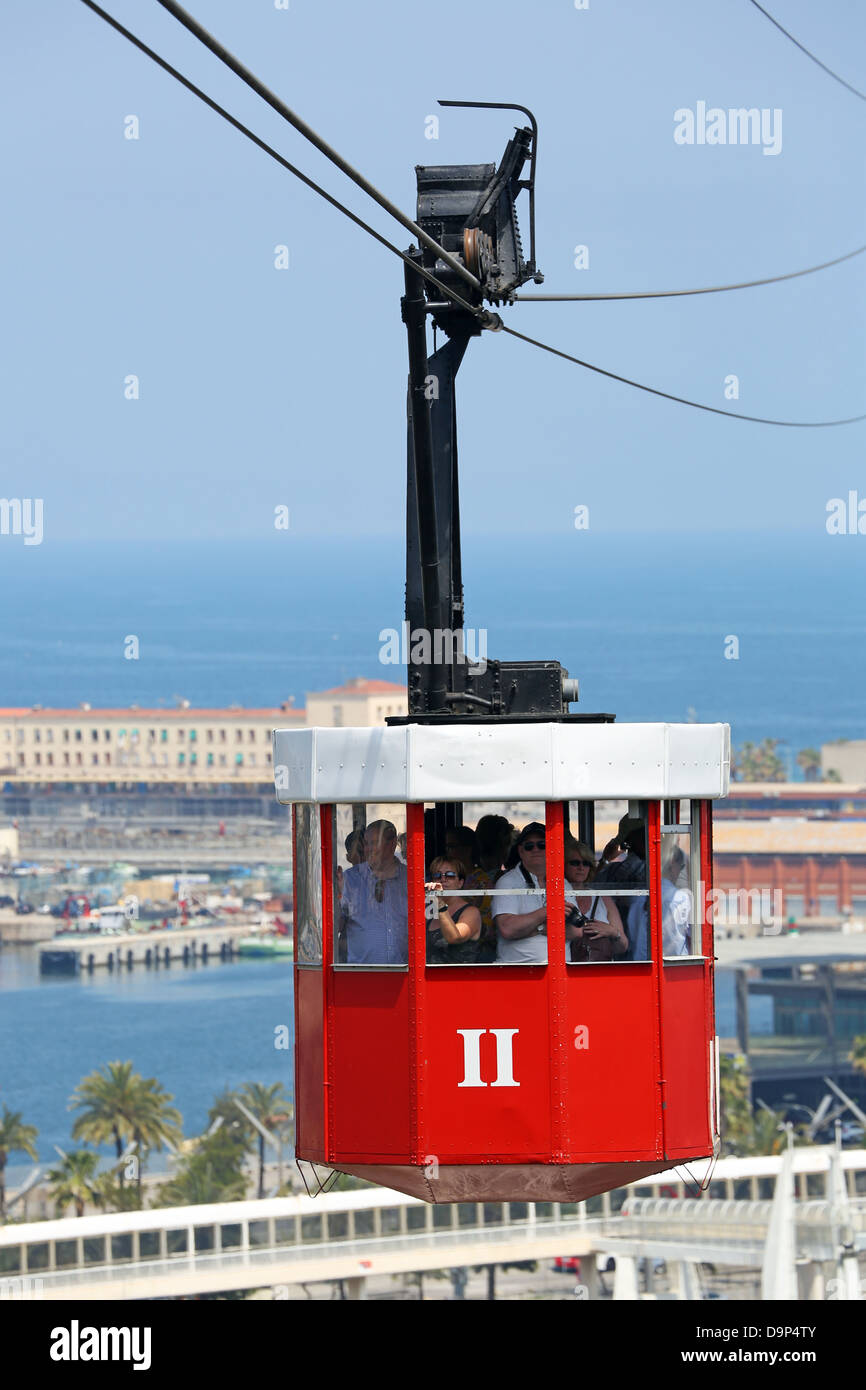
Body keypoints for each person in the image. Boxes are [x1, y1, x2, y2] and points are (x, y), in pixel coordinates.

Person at [338, 819, 408, 964]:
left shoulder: (410, 879)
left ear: (392, 843)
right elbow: (336, 926)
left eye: (374, 843)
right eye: (366, 844)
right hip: (363, 975)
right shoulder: (350, 879)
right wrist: (336, 896)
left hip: (405, 973)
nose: (368, 849)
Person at [625, 838, 692, 960]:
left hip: (640, 962)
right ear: (672, 864)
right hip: (676, 964)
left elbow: (632, 933)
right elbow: (692, 935)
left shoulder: (637, 895)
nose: (680, 872)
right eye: (681, 867)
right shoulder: (681, 898)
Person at [564, 837, 627, 961]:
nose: (581, 868)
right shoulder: (555, 896)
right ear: (563, 865)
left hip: (600, 970)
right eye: (575, 863)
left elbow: (623, 946)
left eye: (586, 863)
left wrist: (613, 932)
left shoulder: (602, 898)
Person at [494, 822, 549, 963]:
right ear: (521, 851)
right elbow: (508, 929)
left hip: (557, 970)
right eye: (529, 846)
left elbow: (576, 931)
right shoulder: (507, 882)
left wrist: (530, 927)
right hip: (517, 972)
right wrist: (546, 913)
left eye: (542, 845)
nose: (536, 849)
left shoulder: (563, 882)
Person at [594, 815, 648, 959]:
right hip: (639, 945)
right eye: (643, 835)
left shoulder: (612, 870)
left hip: (621, 946)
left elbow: (590, 884)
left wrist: (605, 860)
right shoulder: (647, 869)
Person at [425, 856, 482, 964]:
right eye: (437, 875)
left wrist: (440, 903)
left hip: (459, 978)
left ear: (460, 883)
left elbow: (454, 937)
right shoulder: (429, 910)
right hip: (430, 978)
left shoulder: (471, 912)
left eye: (450, 875)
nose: (443, 879)